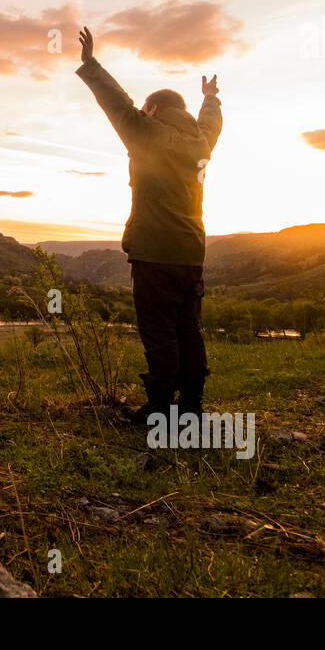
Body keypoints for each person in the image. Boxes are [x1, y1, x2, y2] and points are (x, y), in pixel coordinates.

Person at [75, 26, 223, 421]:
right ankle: (191, 406)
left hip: (155, 251)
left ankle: (160, 408)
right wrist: (211, 99)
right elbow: (211, 123)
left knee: (158, 329)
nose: (140, 113)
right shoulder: (200, 142)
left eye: (145, 109)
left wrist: (92, 65)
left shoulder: (145, 133)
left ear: (154, 109)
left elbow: (118, 106)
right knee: (189, 327)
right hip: (192, 253)